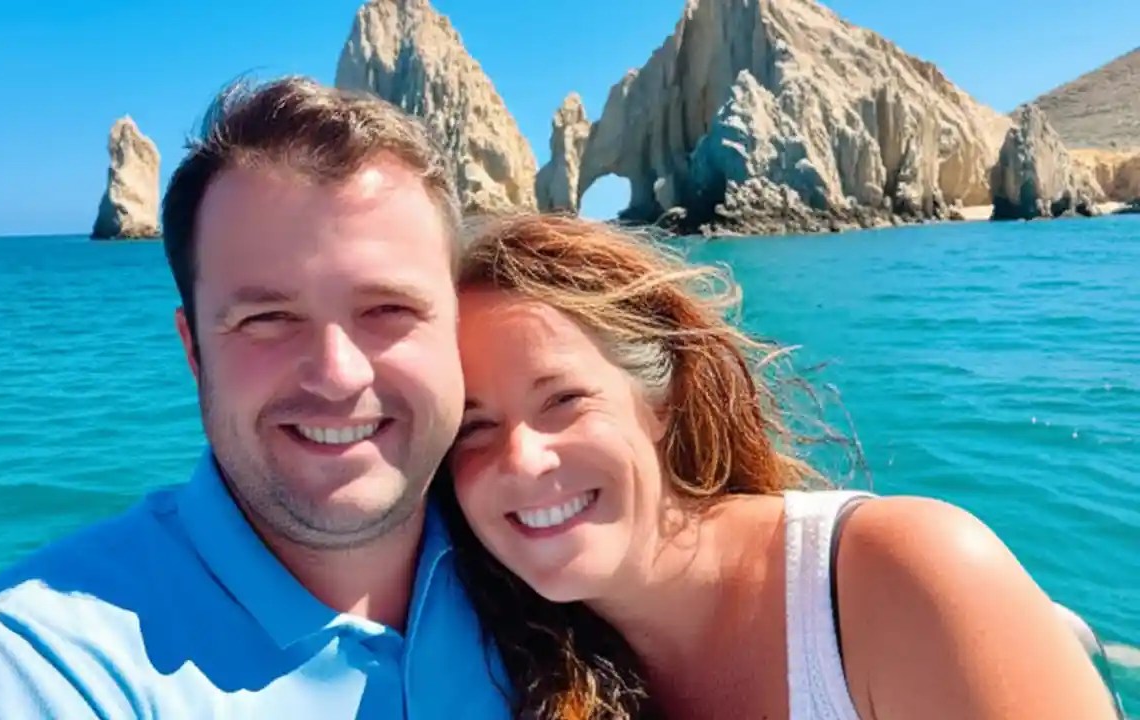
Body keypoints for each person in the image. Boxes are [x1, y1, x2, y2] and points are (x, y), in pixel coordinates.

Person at [0, 76, 511, 718]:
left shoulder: (548, 572)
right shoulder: (36, 674)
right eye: (266, 318)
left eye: (388, 308)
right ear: (193, 352)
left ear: (456, 329)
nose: (337, 375)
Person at [436, 213, 1122, 719]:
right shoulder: (512, 654)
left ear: (661, 403)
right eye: (474, 427)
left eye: (563, 400)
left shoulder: (902, 581)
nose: (522, 457)